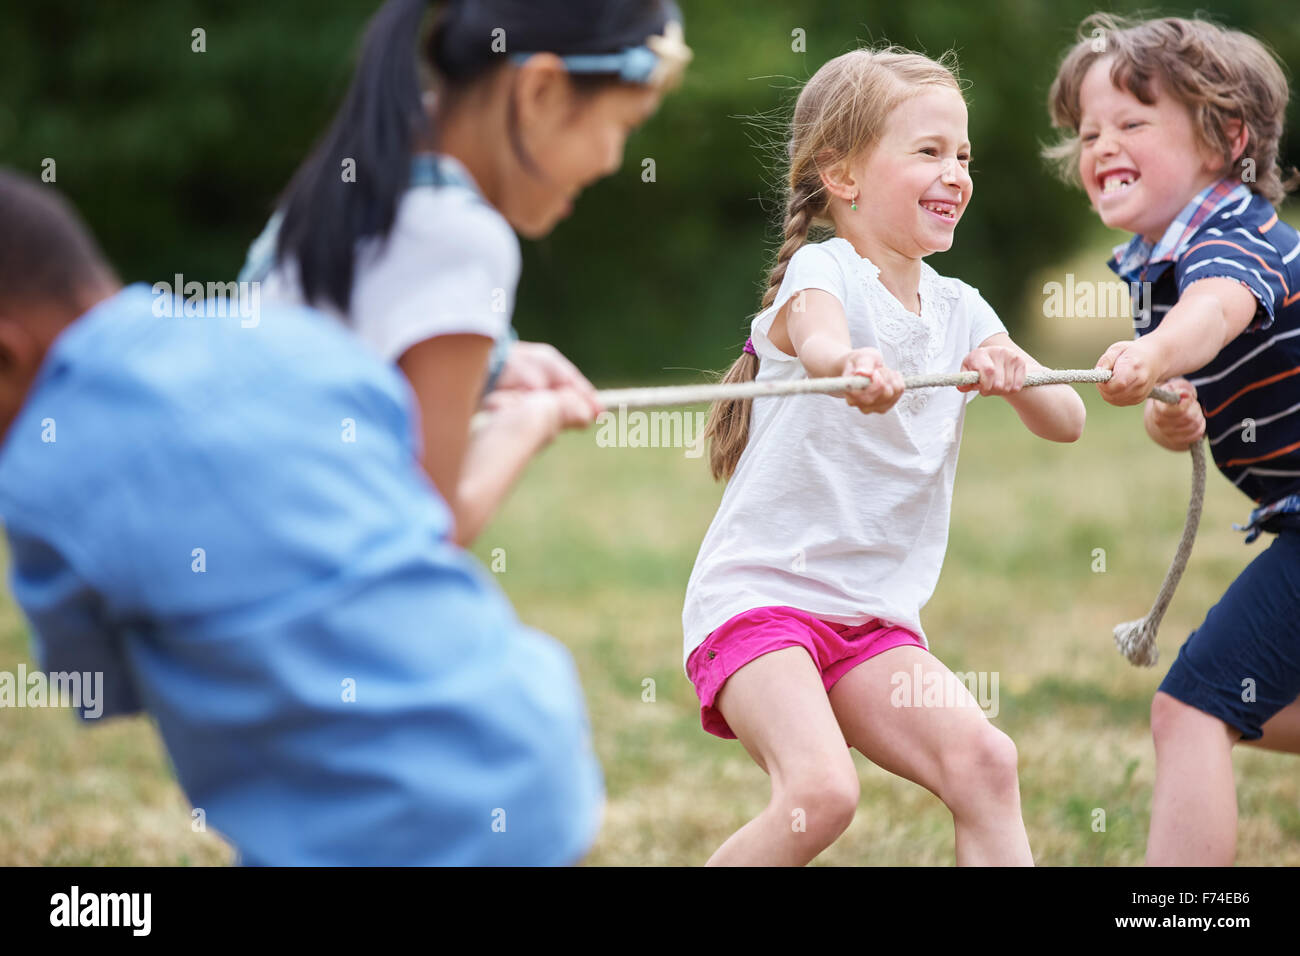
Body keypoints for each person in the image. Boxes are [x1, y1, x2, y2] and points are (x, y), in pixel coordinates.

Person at [0, 168, 602, 865]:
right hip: (535, 753)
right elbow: (408, 496)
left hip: (370, 829)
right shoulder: (284, 339)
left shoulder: (44, 475)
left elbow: (100, 687)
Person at [682, 47, 1086, 867]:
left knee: (986, 764)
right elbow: (823, 338)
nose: (957, 173)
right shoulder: (820, 270)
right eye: (930, 151)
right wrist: (847, 369)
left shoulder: (961, 307)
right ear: (843, 174)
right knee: (821, 794)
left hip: (872, 622)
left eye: (963, 155)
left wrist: (1018, 375)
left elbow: (1068, 418)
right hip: (762, 605)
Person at [240, 0, 692, 545]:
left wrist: (496, 361)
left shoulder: (357, 185)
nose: (613, 161)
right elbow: (420, 538)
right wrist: (524, 428)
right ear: (540, 90)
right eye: (624, 124)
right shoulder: (462, 236)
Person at [1047, 13, 1300, 865]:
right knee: (1255, 706)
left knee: (1191, 709)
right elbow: (1194, 394)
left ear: (1227, 138)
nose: (1100, 144)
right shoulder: (1159, 262)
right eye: (1088, 131)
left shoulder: (1231, 232)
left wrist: (1154, 352)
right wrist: (1173, 414)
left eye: (1130, 122)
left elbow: (1218, 309)